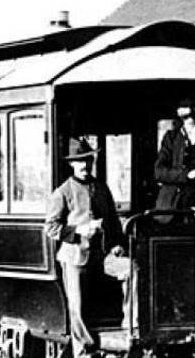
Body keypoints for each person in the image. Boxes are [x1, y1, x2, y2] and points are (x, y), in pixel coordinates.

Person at [44, 137, 125, 358]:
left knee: (132, 271)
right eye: (80, 161)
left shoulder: (101, 188)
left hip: (104, 255)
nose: (85, 165)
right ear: (72, 164)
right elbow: (50, 228)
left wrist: (117, 244)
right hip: (75, 257)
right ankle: (83, 351)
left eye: (88, 160)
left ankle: (132, 329)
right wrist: (78, 231)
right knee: (77, 306)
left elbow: (113, 223)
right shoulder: (63, 192)